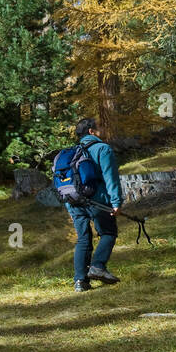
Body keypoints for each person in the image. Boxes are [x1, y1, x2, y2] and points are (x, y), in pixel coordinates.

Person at [68, 117, 123, 292]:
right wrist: (116, 202)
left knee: (83, 239)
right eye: (99, 129)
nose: (102, 131)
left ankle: (80, 282)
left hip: (73, 201)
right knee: (108, 232)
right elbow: (110, 178)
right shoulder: (102, 149)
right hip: (97, 200)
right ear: (91, 131)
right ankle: (98, 266)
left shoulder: (72, 151)